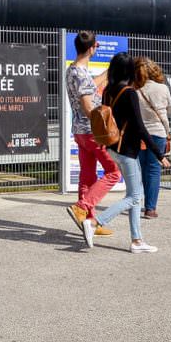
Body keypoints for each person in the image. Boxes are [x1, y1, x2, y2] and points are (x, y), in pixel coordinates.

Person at [85, 55, 162, 253]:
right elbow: (139, 126)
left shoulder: (108, 91)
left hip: (112, 148)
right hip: (127, 150)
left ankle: (137, 240)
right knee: (135, 196)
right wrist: (159, 154)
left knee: (134, 194)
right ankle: (95, 223)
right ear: (130, 71)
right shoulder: (130, 93)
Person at [63, 31, 123, 234]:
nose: (96, 48)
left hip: (80, 132)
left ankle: (89, 222)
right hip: (92, 132)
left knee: (87, 176)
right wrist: (103, 129)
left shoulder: (74, 70)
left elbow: (90, 85)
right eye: (95, 46)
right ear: (91, 48)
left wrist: (108, 72)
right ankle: (82, 207)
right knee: (114, 172)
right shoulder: (80, 74)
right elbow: (88, 107)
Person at [137, 60, 171, 219]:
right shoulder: (163, 88)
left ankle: (143, 203)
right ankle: (150, 208)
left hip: (139, 134)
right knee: (153, 170)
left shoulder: (135, 89)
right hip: (158, 133)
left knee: (142, 169)